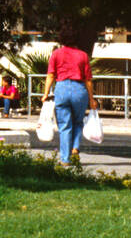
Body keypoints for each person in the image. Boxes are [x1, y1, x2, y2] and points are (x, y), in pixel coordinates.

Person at [41, 23, 98, 163]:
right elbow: (88, 80)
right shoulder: (83, 55)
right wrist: (91, 99)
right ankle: (75, 147)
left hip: (62, 88)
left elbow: (50, 75)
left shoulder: (56, 54)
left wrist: (45, 93)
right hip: (79, 90)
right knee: (78, 122)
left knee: (65, 125)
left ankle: (65, 159)